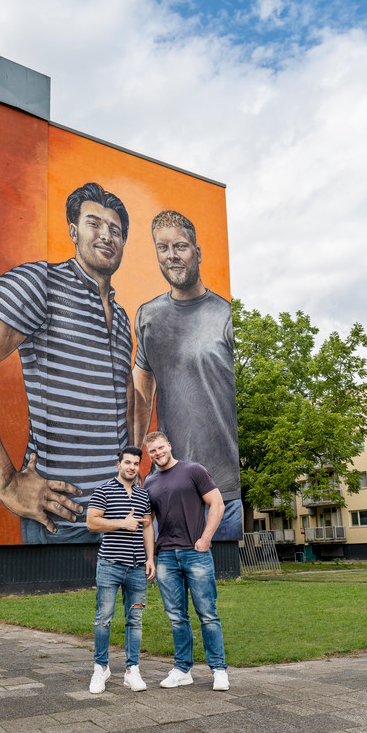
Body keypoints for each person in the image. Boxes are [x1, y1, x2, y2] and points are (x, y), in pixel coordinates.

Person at [0, 182, 134, 544]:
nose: (106, 235)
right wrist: (5, 481)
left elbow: (123, 400)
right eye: (94, 223)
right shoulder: (41, 283)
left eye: (115, 229)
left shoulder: (123, 317)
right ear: (73, 231)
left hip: (120, 520)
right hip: (61, 526)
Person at [132, 210, 242, 541]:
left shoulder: (226, 316)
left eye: (180, 246)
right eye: (162, 248)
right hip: (167, 492)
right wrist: (135, 461)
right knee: (170, 584)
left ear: (197, 251)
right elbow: (142, 390)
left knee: (211, 585)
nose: (171, 256)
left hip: (222, 495)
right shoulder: (147, 315)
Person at [143, 430, 229, 691]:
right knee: (176, 616)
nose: (157, 453)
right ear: (149, 454)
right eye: (152, 451)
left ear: (169, 445)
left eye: (160, 447)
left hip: (196, 553)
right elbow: (148, 523)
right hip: (167, 556)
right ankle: (182, 669)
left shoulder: (194, 470)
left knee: (207, 614)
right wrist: (151, 557)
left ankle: (219, 670)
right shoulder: (149, 482)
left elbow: (217, 504)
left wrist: (205, 539)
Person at [85, 446, 155, 693]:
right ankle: (101, 668)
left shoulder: (142, 495)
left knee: (134, 620)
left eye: (136, 463)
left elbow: (147, 527)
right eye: (127, 462)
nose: (131, 467)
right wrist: (122, 523)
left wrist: (150, 558)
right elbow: (92, 522)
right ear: (119, 464)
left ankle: (131, 670)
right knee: (103, 619)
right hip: (110, 565)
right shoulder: (103, 490)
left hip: (137, 568)